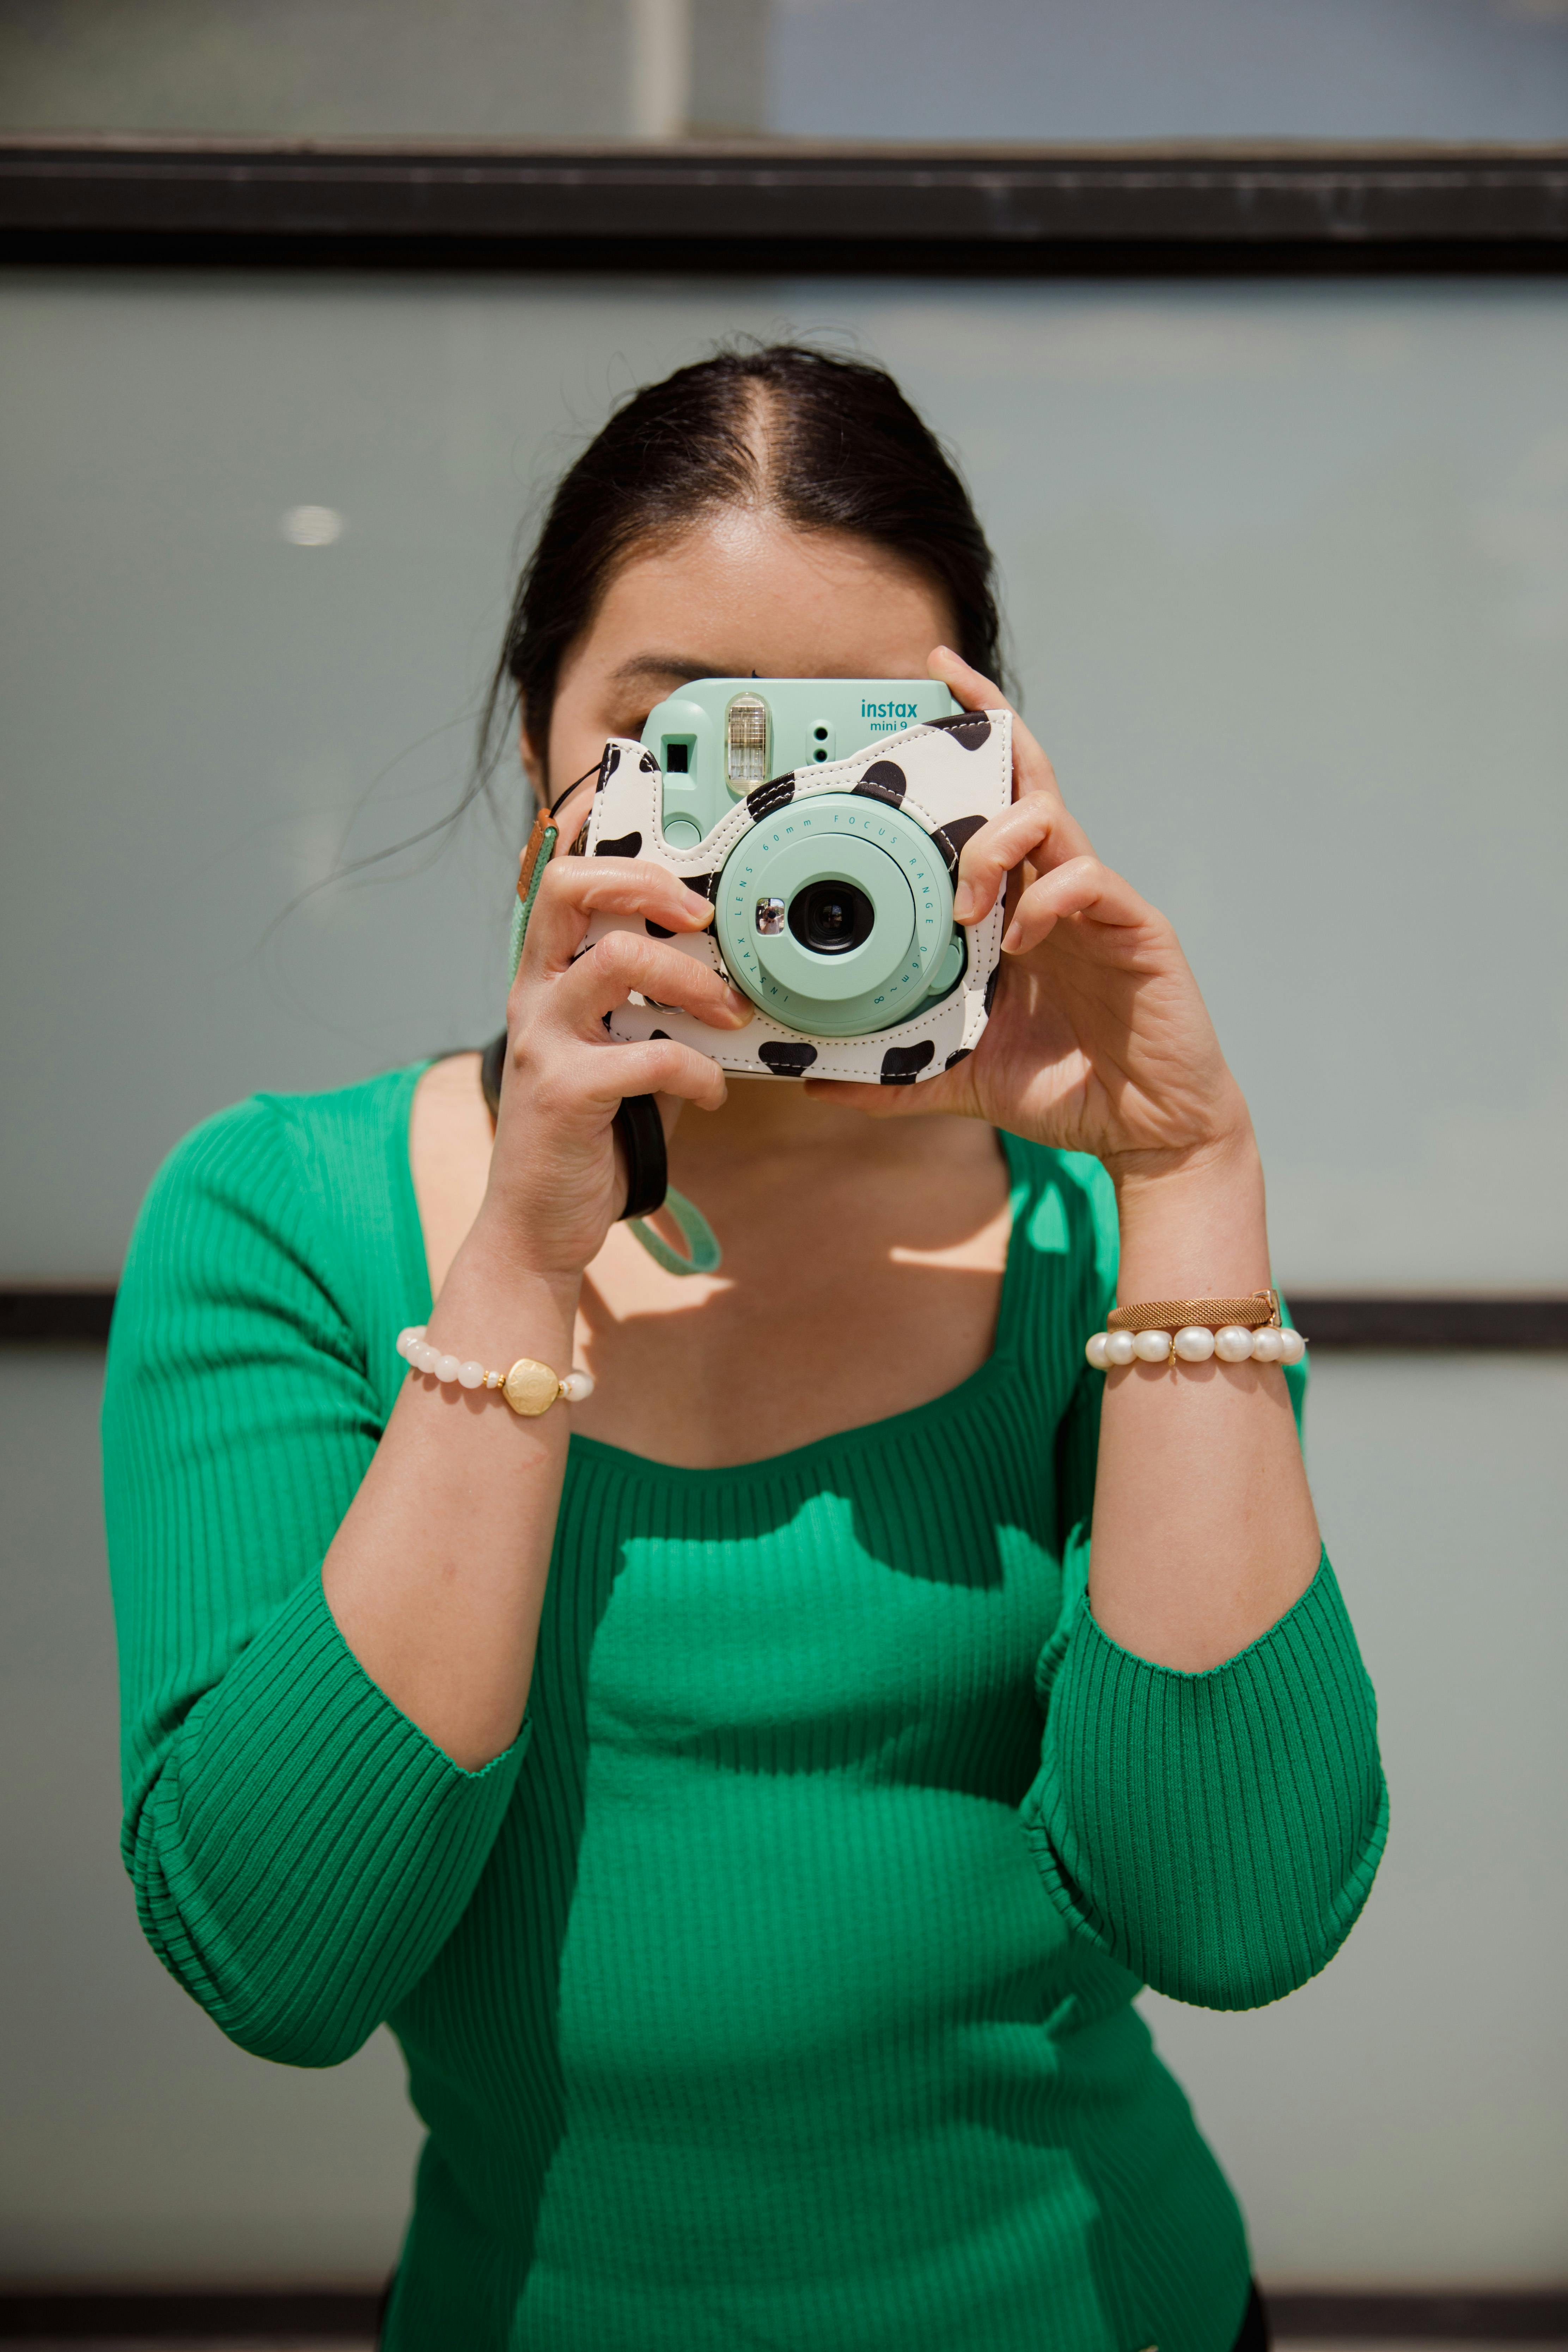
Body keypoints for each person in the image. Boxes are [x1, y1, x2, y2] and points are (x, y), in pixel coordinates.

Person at [103, 345, 1386, 2352]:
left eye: (862, 746)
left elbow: (1238, 1915)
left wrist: (1192, 1168)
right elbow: (277, 1955)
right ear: (539, 739)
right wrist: (519, 1267)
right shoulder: (282, 1218)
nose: (786, 828)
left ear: (992, 778)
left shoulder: (1101, 1248)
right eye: (683, 737)